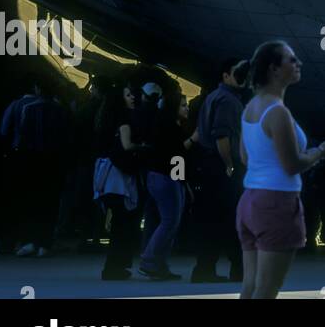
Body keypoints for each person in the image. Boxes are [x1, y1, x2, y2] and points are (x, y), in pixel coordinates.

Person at [236, 41, 325, 299]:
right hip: (277, 201)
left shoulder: (251, 108)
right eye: (291, 60)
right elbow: (292, 164)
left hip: (250, 201)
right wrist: (321, 151)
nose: (298, 64)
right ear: (274, 69)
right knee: (268, 289)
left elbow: (245, 157)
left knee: (250, 285)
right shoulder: (277, 112)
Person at [189, 57, 246, 283]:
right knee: (231, 218)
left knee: (212, 219)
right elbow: (222, 136)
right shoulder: (228, 100)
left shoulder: (213, 97)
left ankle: (205, 268)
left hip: (210, 165)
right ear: (225, 76)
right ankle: (237, 268)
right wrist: (230, 164)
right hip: (222, 166)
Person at [0, 79, 70, 258]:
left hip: (30, 160)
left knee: (31, 201)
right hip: (54, 161)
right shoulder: (61, 110)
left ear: (37, 89)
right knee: (51, 202)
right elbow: (66, 138)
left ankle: (30, 240)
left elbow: (20, 135)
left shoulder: (27, 108)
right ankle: (45, 243)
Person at [135, 82, 188, 280]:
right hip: (166, 178)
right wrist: (182, 180)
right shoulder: (171, 128)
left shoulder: (162, 124)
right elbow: (176, 156)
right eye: (183, 105)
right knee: (169, 221)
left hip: (159, 177)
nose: (187, 108)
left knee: (165, 221)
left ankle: (159, 264)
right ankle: (149, 260)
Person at [93, 81, 143, 281]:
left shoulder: (107, 118)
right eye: (129, 95)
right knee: (123, 224)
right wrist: (143, 146)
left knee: (119, 223)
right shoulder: (125, 119)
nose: (133, 98)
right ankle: (115, 266)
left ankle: (114, 266)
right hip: (121, 178)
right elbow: (127, 145)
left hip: (109, 176)